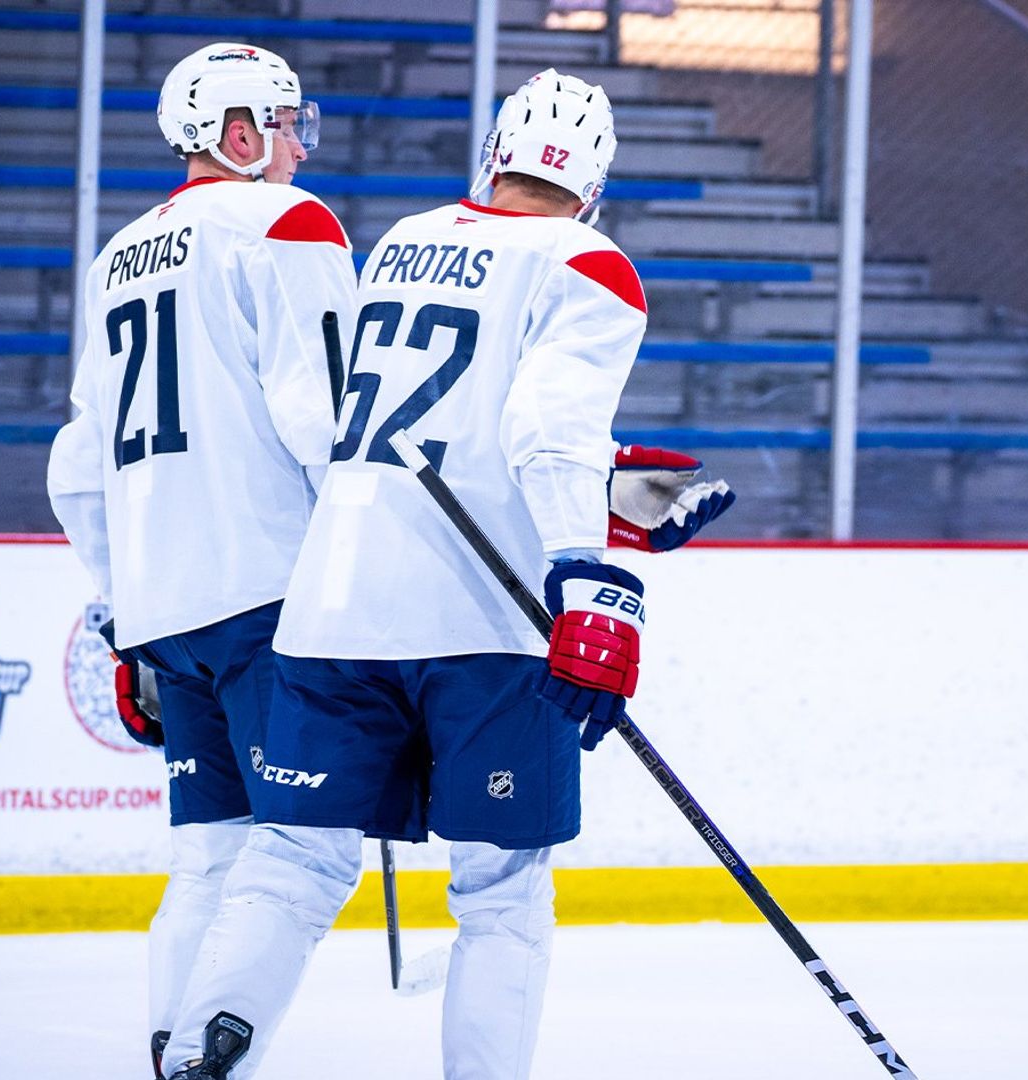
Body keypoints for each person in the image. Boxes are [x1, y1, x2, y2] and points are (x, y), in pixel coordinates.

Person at [158, 69, 731, 1080]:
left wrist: (615, 499)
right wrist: (589, 573)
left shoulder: (403, 242)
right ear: (596, 181)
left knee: (290, 863)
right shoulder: (594, 266)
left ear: (494, 151)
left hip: (332, 615)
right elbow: (544, 433)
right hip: (483, 631)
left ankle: (199, 1056)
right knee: (502, 893)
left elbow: (444, 429)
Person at [45, 41, 356, 1079]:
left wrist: (120, 607)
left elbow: (77, 470)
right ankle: (202, 1066)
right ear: (236, 133)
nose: (298, 147)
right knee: (311, 849)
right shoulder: (286, 222)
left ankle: (172, 1055)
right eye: (283, 123)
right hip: (274, 593)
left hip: (163, 610)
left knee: (211, 854)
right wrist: (359, 579)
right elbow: (328, 425)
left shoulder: (115, 256)